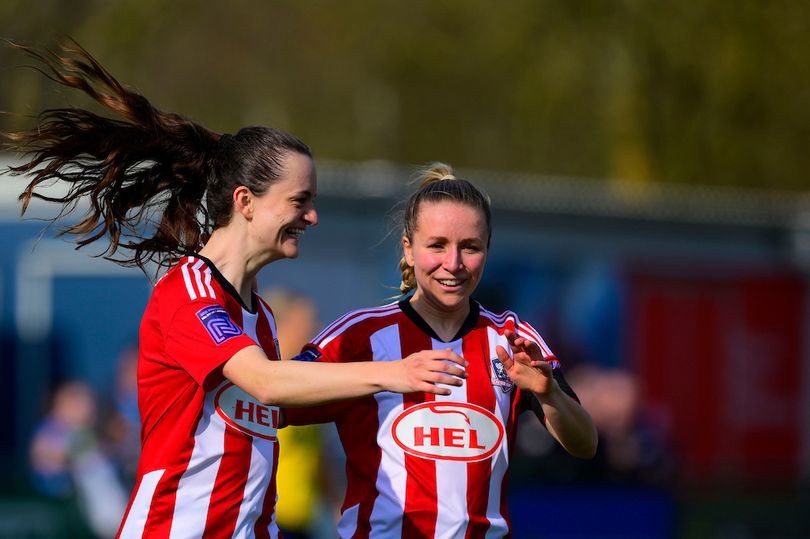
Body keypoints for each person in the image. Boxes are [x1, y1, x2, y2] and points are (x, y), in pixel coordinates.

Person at [4, 42, 468, 539]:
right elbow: (265, 383)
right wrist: (392, 372)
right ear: (246, 202)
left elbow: (271, 424)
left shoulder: (261, 318)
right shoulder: (188, 291)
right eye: (300, 201)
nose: (312, 217)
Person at [284, 163, 599, 538]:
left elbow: (585, 444)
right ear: (410, 249)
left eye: (470, 247)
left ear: (487, 250)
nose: (454, 264)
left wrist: (548, 393)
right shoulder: (360, 335)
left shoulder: (512, 338)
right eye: (437, 245)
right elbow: (276, 399)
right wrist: (380, 375)